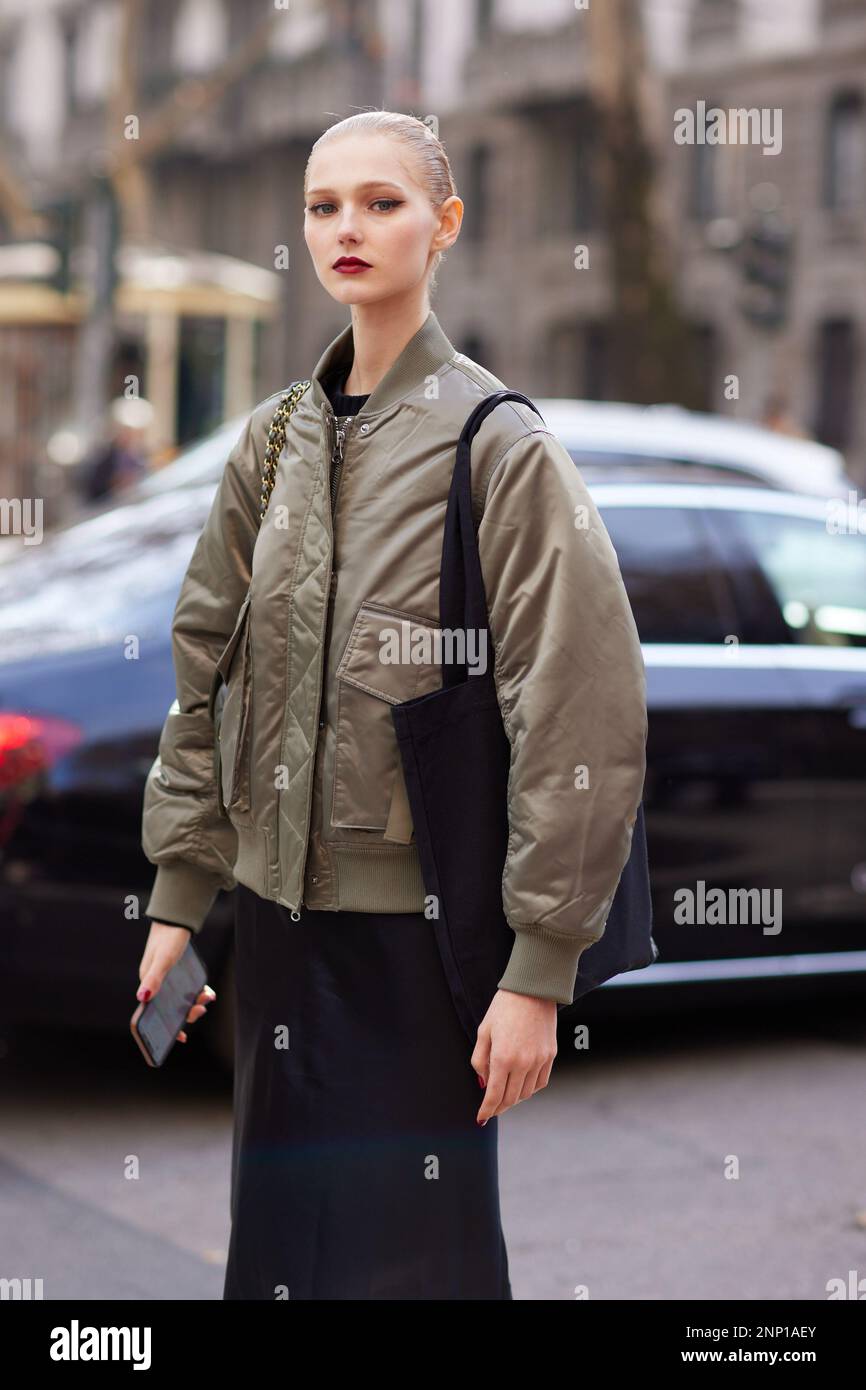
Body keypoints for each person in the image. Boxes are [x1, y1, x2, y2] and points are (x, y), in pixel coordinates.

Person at [136, 110, 647, 1300]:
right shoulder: (270, 443)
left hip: (418, 947)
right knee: (280, 1258)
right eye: (322, 207)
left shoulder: (496, 441)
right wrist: (180, 894)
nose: (347, 229)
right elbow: (207, 664)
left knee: (415, 1270)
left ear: (444, 224)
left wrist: (537, 970)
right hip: (274, 929)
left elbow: (579, 702)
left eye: (381, 202)